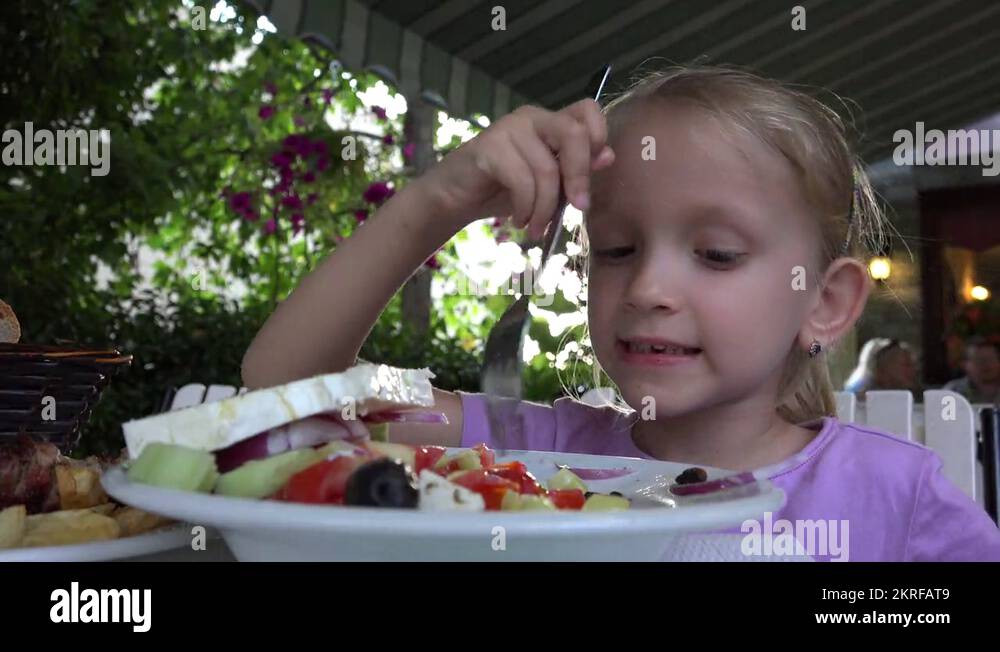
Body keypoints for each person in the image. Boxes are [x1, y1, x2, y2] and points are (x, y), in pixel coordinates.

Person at [242, 65, 1000, 561]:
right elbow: (286, 387)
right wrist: (438, 200)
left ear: (825, 303)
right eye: (615, 250)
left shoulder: (897, 499)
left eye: (716, 254)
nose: (646, 289)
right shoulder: (527, 453)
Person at [844, 337, 920, 396]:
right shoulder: (854, 403)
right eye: (906, 365)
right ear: (881, 370)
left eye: (913, 365)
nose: (914, 369)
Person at [943, 337, 1000, 405]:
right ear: (965, 364)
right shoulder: (953, 391)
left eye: (991, 359)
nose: (986, 364)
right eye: (978, 360)